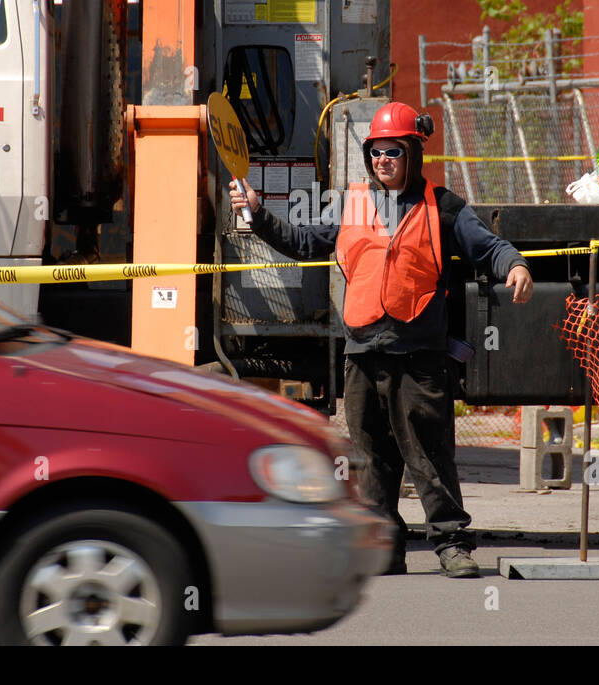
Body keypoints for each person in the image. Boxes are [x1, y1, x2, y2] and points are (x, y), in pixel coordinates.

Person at [228, 101, 533, 577]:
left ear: (412, 152)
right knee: (372, 460)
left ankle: (452, 544)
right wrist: (258, 213)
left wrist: (515, 266)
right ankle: (383, 547)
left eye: (392, 150)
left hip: (421, 356)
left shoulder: (444, 207)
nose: (381, 160)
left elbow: (489, 247)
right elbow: (305, 242)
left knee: (429, 454)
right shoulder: (351, 205)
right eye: (374, 151)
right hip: (363, 352)